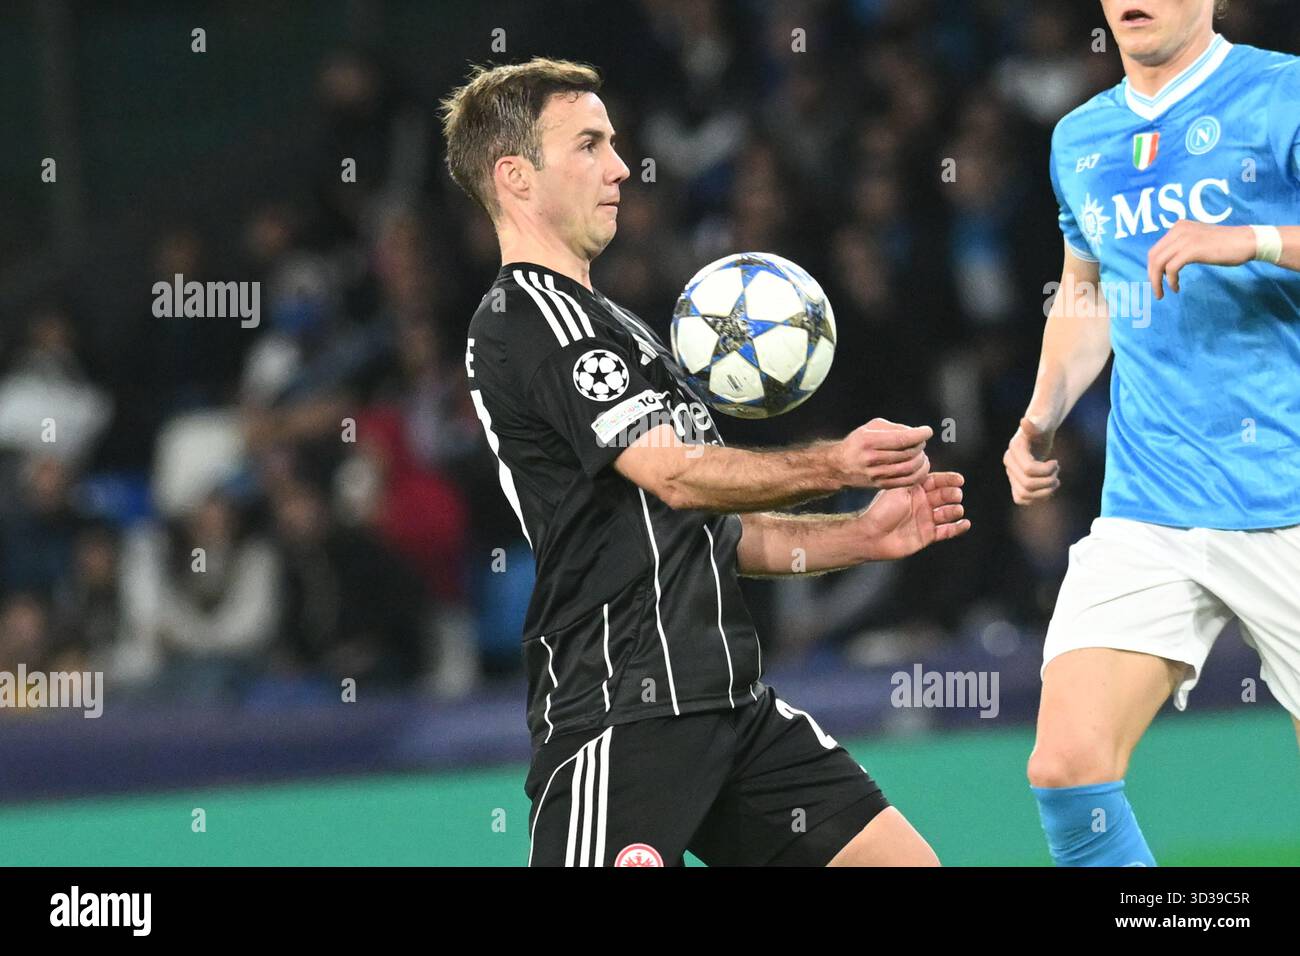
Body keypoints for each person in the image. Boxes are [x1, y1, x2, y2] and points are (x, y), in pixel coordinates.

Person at [441, 57, 970, 866]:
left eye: (614, 143)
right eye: (589, 145)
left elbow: (709, 526)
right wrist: (836, 463)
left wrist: (857, 537)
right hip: (621, 711)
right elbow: (673, 473)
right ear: (516, 176)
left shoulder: (624, 326)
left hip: (728, 702)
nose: (620, 166)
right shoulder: (526, 316)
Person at [1005, 0, 1300, 866]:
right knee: (1065, 766)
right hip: (1153, 506)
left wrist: (1249, 239)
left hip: (1288, 496)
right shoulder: (1080, 138)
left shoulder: (1283, 94)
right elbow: (1089, 293)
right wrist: (1042, 414)